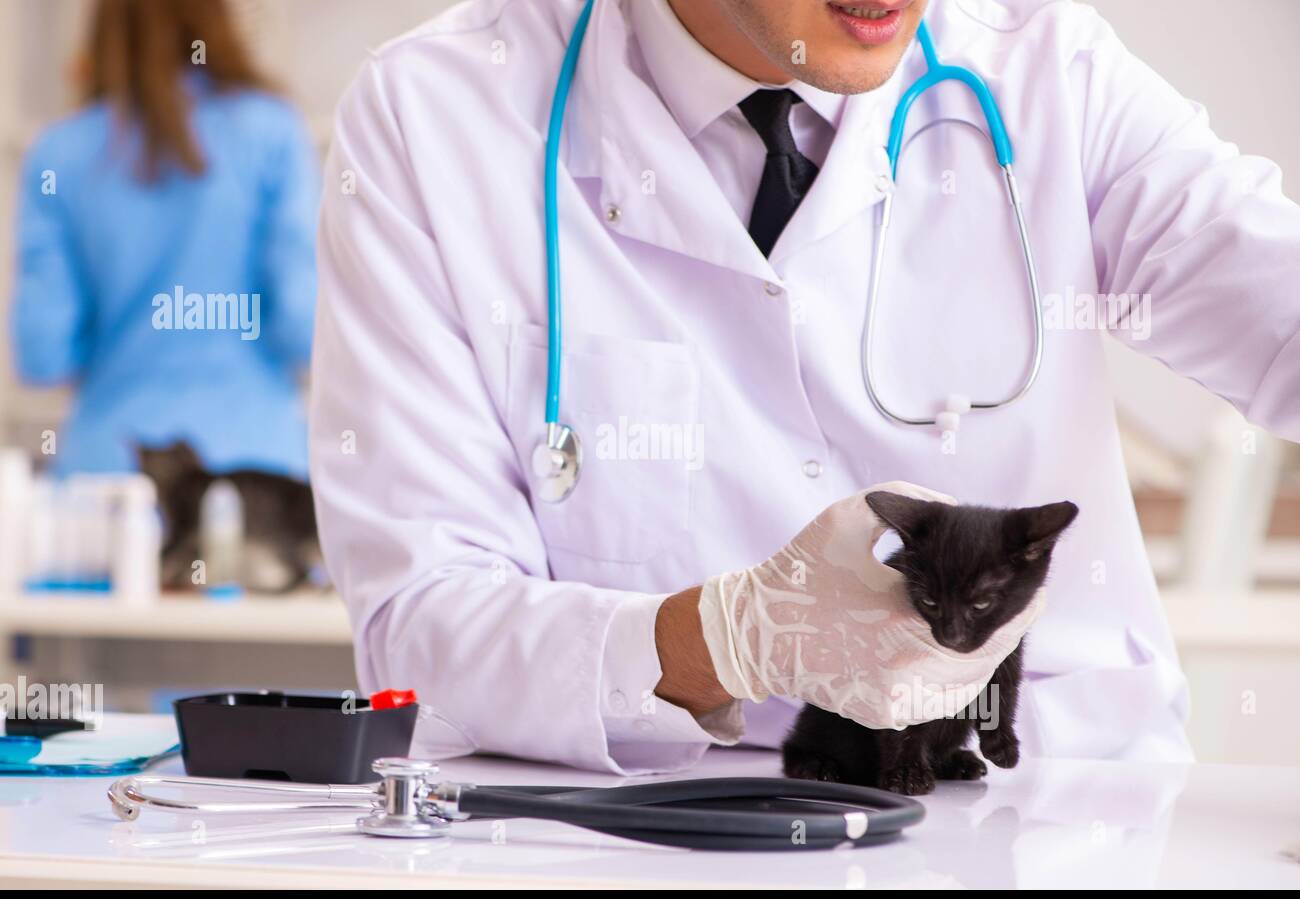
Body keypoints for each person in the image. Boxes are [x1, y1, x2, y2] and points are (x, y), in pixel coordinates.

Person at [310, 0, 1300, 774]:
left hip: (1051, 814)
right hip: (637, 840)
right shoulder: (437, 113)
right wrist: (720, 642)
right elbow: (420, 629)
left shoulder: (1049, 76)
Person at [11, 0, 319, 478]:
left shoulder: (58, 154)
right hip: (259, 483)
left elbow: (42, 354)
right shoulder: (272, 133)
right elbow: (304, 327)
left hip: (107, 479)